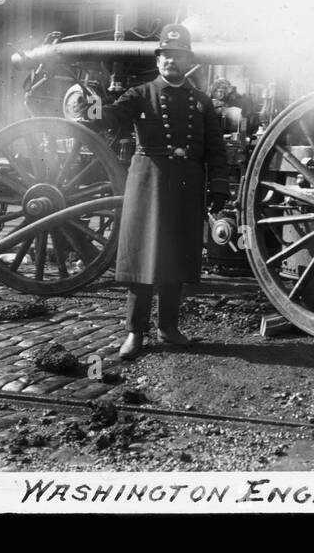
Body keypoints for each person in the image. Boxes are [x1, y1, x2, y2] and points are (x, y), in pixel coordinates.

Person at [87, 23, 230, 359]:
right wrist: (89, 109)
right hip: (148, 183)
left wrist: (219, 186)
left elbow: (216, 150)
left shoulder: (202, 102)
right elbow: (112, 115)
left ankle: (168, 326)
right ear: (159, 59)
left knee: (176, 256)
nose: (170, 62)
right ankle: (135, 333)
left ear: (187, 61)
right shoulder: (141, 94)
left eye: (177, 57)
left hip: (186, 186)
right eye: (165, 56)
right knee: (143, 257)